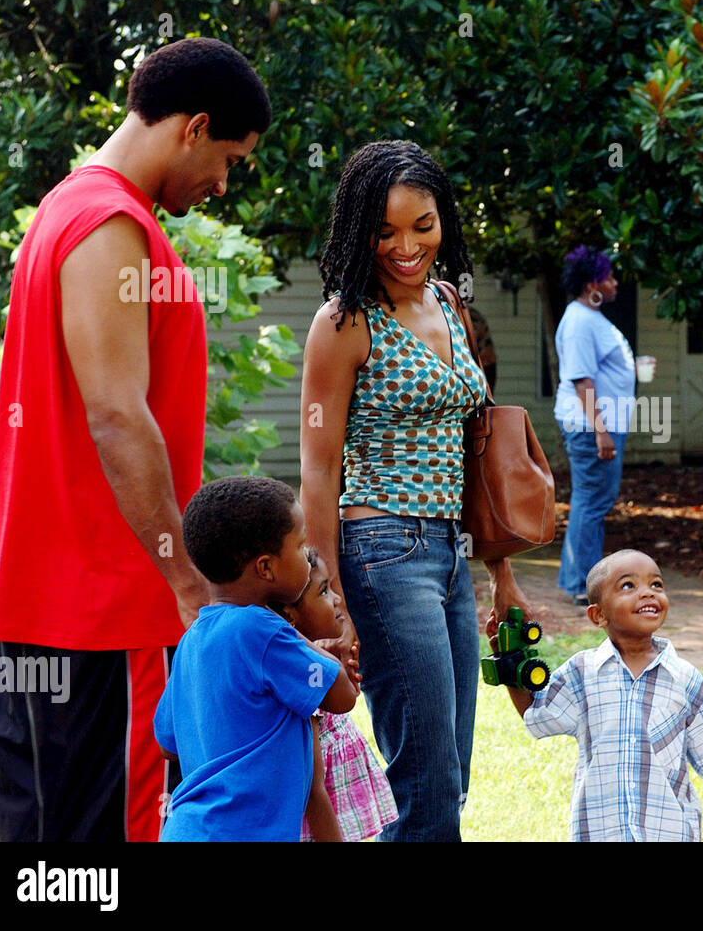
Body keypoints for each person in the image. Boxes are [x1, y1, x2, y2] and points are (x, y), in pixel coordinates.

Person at [0, 37, 270, 842]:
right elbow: (115, 414)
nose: (221, 183)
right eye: (230, 159)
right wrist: (183, 580)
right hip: (108, 615)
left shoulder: (63, 211)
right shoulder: (110, 223)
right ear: (194, 125)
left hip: (39, 612)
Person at [302, 139, 535, 841]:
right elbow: (318, 470)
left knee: (449, 774)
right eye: (385, 230)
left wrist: (503, 570)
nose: (405, 245)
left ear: (445, 222)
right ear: (358, 230)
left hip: (450, 553)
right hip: (381, 551)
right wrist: (327, 601)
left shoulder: (448, 304)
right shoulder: (343, 322)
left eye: (422, 225)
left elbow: (479, 445)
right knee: (427, 780)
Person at [155, 477, 357, 841]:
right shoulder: (261, 629)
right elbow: (342, 697)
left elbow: (167, 743)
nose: (308, 561)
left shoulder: (192, 639)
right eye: (300, 546)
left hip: (186, 829)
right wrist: (301, 638)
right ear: (266, 568)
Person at [496, 549, 703, 841]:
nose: (648, 594)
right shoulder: (582, 671)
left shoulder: (684, 678)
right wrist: (509, 666)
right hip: (602, 828)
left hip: (668, 828)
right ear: (598, 615)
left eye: (656, 585)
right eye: (628, 586)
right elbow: (537, 715)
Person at [270, 548, 398, 842]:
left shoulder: (317, 664)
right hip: (320, 822)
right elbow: (313, 789)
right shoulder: (303, 676)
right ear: (290, 616)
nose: (338, 599)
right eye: (324, 591)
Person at [553, 245, 635, 607]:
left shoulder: (590, 317)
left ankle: (578, 579)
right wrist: (601, 430)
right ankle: (582, 584)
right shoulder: (580, 322)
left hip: (600, 423)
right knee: (591, 500)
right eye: (609, 277)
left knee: (594, 500)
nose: (615, 283)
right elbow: (581, 380)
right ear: (592, 285)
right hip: (591, 426)